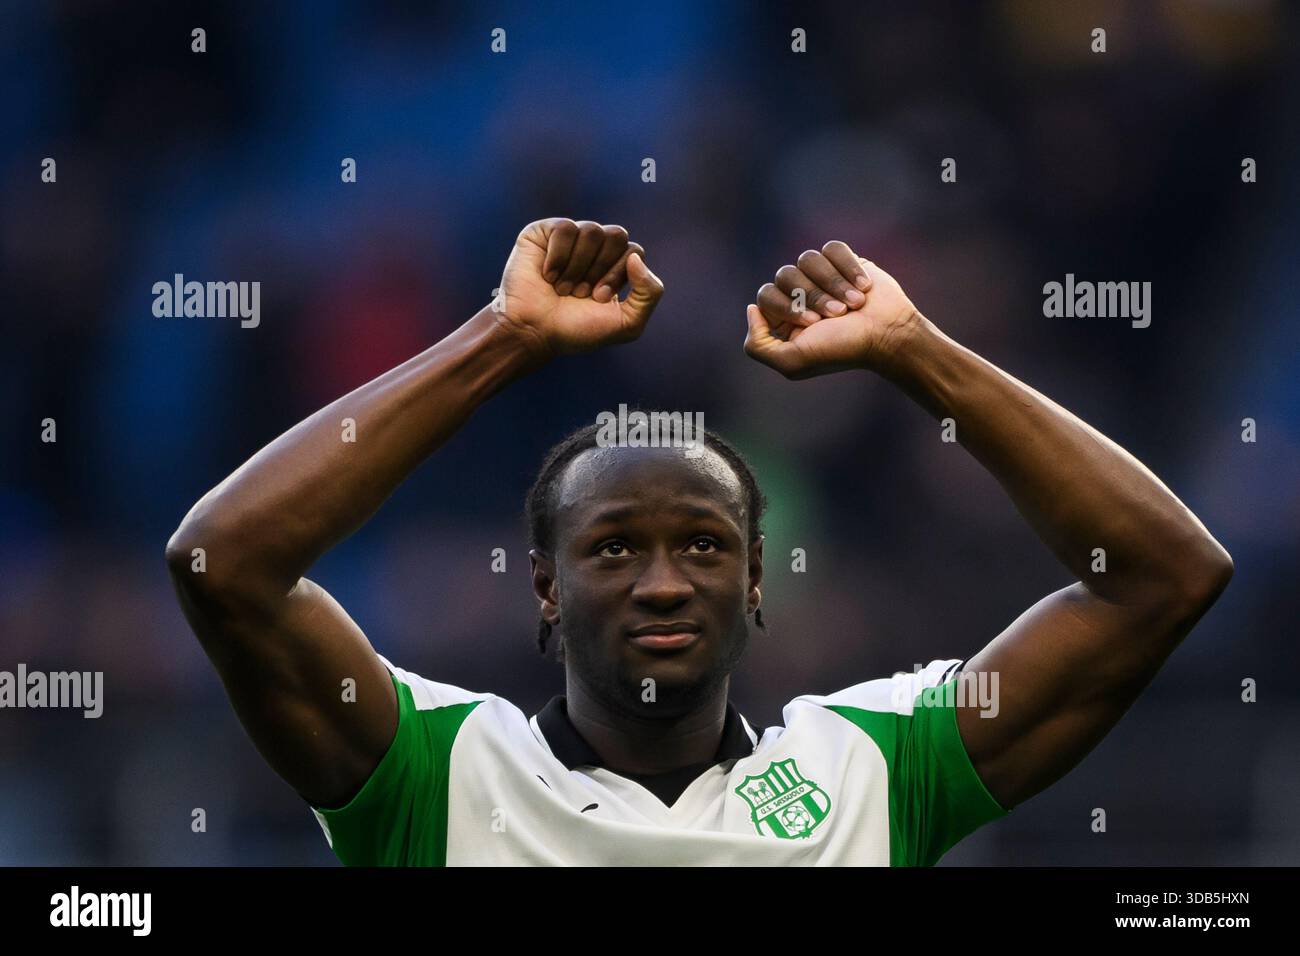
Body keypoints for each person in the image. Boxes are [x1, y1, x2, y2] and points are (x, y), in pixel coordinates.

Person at [166, 218, 1233, 865]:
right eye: (614, 548)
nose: (663, 583)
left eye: (707, 546)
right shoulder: (435, 773)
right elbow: (224, 561)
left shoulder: (871, 767)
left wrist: (915, 350)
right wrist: (503, 335)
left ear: (759, 578)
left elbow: (1163, 576)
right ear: (542, 585)